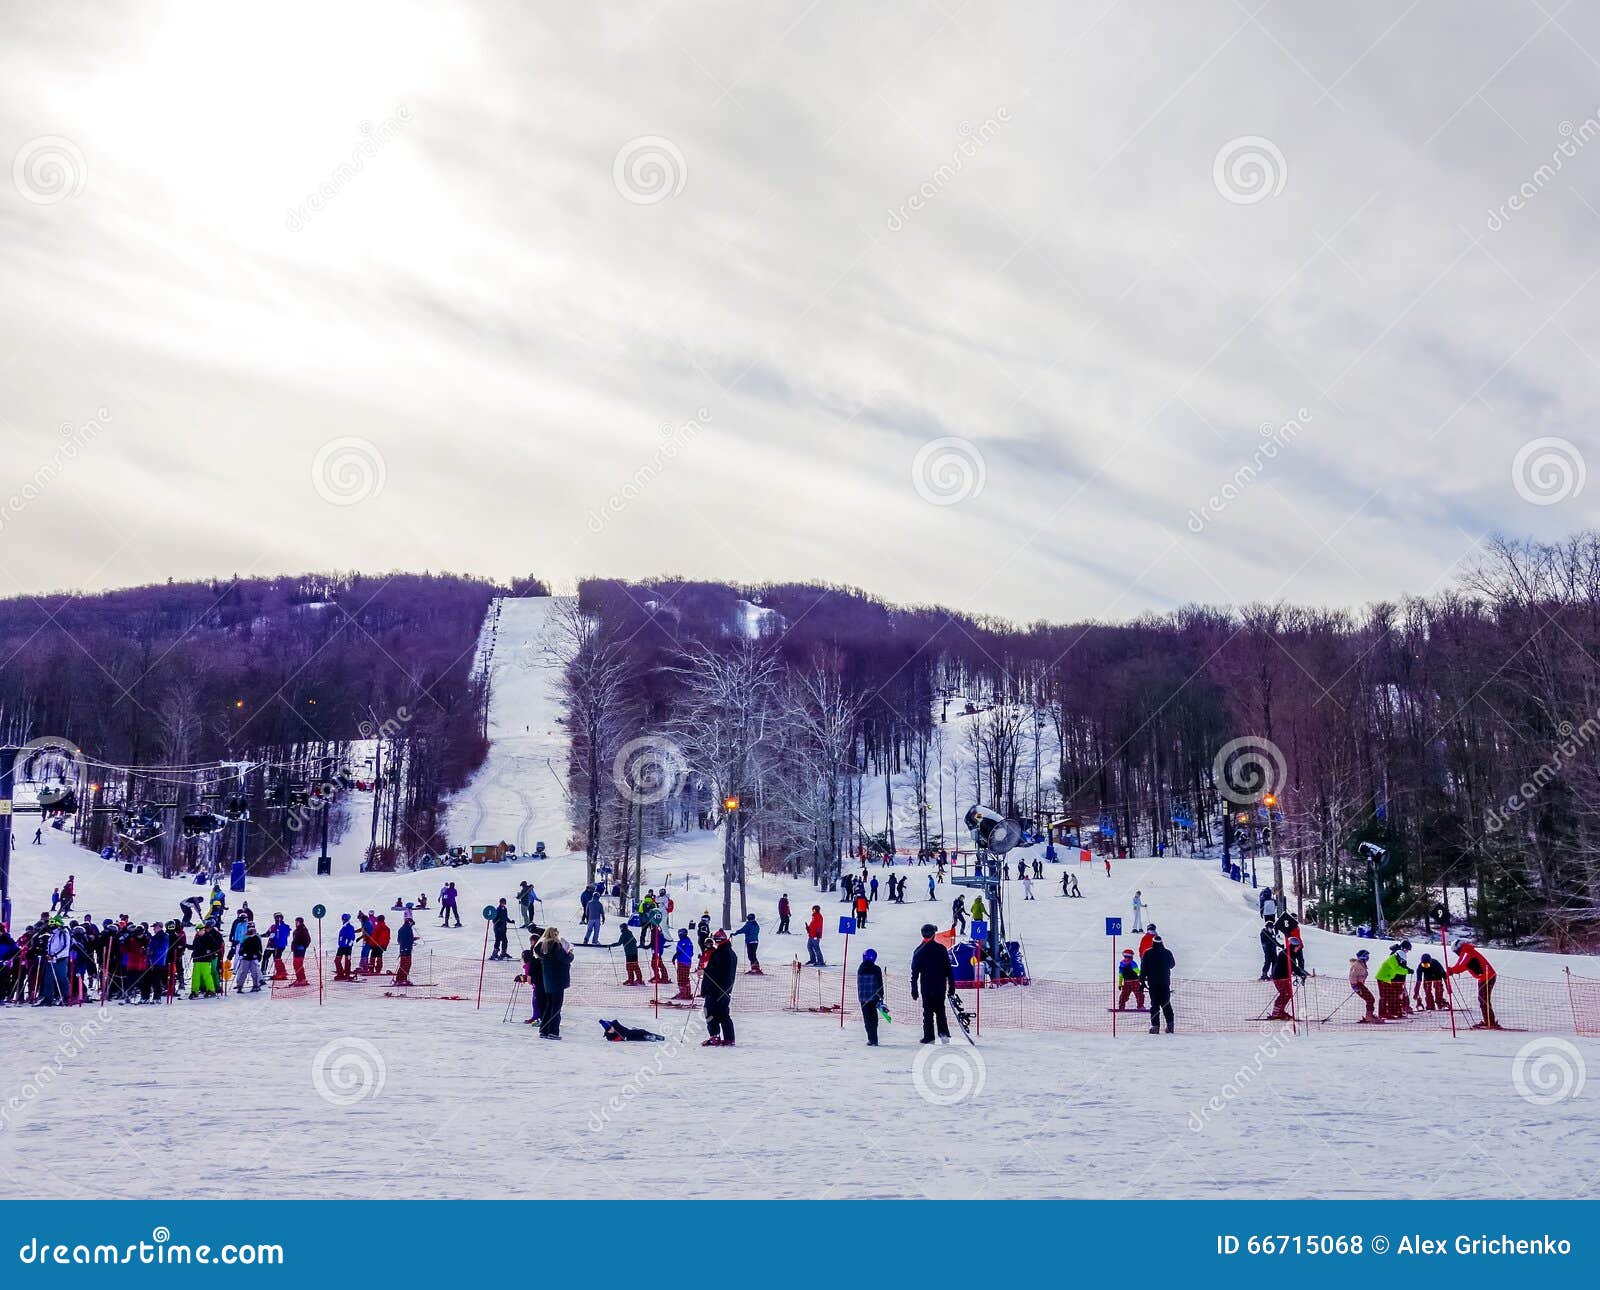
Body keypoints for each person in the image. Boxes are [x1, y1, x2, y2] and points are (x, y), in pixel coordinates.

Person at [911, 923, 955, 1044]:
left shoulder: (918, 951)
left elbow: (914, 973)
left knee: (928, 1012)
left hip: (926, 986)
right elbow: (948, 970)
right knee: (940, 1010)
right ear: (933, 935)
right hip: (940, 986)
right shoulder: (941, 949)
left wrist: (913, 989)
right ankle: (943, 1033)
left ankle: (929, 1036)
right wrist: (952, 987)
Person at [1448, 939, 1499, 1029]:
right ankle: (1488, 1021)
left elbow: (1461, 965)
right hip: (1484, 977)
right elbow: (1464, 965)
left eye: (1456, 951)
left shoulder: (1466, 951)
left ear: (1458, 947)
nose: (1456, 953)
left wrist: (1452, 970)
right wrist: (1453, 970)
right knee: (1483, 999)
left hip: (1487, 976)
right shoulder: (1467, 951)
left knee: (1483, 1000)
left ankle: (1490, 1022)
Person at [702, 929, 738, 1047]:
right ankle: (729, 1038)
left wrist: (704, 971)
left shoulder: (720, 953)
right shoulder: (731, 953)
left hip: (715, 989)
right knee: (723, 1013)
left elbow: (715, 971)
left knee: (709, 1011)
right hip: (726, 989)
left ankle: (714, 1036)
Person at [536, 927, 573, 1039]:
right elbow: (566, 959)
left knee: (549, 1005)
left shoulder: (542, 947)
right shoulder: (556, 946)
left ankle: (544, 1030)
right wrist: (570, 953)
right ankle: (553, 1031)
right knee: (556, 1007)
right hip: (558, 980)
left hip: (547, 980)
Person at [1140, 933, 1176, 1033]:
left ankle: (1155, 1027)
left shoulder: (1147, 953)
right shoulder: (1167, 952)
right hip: (1165, 983)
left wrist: (1142, 981)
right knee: (1166, 1004)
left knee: (1155, 1005)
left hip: (1153, 983)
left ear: (1153, 943)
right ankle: (1170, 1026)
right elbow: (1172, 964)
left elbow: (1143, 969)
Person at [1266, 935, 1306, 1020]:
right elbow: (1294, 967)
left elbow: (1294, 967)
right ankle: (1276, 1013)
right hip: (1280, 977)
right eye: (1297, 947)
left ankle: (1280, 1011)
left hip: (1283, 976)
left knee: (1287, 994)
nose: (1298, 949)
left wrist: (1303, 973)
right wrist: (1301, 974)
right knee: (1285, 994)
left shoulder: (1289, 953)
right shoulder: (1288, 954)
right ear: (1294, 946)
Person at [1375, 943, 1412, 1019]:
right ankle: (1382, 1013)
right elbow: (1397, 969)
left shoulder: (1396, 958)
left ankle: (1391, 1012)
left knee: (1389, 996)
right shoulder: (1392, 959)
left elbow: (1400, 967)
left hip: (1387, 979)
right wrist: (1407, 971)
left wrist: (1407, 969)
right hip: (1382, 978)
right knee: (1384, 996)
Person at [857, 948, 885, 1046]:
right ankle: (874, 1038)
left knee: (867, 1019)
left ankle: (871, 1038)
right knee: (874, 1018)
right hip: (874, 997)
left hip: (863, 998)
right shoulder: (876, 969)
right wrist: (881, 996)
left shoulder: (861, 968)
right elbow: (880, 984)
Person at [1349, 949, 1380, 1022]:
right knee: (1370, 999)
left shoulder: (1361, 964)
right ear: (1363, 957)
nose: (1368, 958)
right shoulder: (1357, 965)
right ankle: (1369, 1017)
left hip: (1360, 984)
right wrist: (1355, 986)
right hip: (1357, 985)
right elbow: (1352, 976)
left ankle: (1369, 1015)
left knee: (1370, 999)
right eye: (1367, 956)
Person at [234, 923, 264, 993]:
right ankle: (239, 986)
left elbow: (259, 949)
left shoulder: (257, 938)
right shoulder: (245, 938)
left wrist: (258, 957)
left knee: (255, 972)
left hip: (254, 957)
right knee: (243, 972)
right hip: (246, 957)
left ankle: (256, 986)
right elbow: (241, 948)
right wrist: (241, 954)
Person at [392, 912, 416, 986]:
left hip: (405, 949)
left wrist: (413, 939)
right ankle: (401, 979)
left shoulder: (405, 928)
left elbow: (401, 939)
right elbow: (403, 940)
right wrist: (406, 945)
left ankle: (402, 979)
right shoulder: (406, 929)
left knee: (405, 964)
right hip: (406, 949)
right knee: (405, 965)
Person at [673, 928, 696, 999]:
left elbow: (680, 951)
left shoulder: (683, 942)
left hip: (682, 962)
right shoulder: (689, 941)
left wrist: (674, 957)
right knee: (685, 977)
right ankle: (687, 992)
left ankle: (684, 993)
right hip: (687, 962)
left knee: (681, 977)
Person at [290, 917, 312, 985]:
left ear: (301, 922)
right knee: (295, 964)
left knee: (298, 964)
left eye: (297, 922)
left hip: (300, 950)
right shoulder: (297, 930)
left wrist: (303, 946)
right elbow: (295, 940)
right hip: (296, 950)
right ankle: (299, 978)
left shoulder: (303, 930)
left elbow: (308, 940)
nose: (296, 923)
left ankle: (302, 979)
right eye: (295, 922)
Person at [334, 913, 356, 980]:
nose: (343, 920)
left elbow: (352, 937)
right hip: (341, 947)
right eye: (343, 919)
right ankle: (341, 974)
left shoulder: (350, 927)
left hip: (347, 947)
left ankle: (346, 974)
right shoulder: (344, 927)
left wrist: (349, 945)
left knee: (347, 960)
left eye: (344, 919)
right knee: (337, 960)